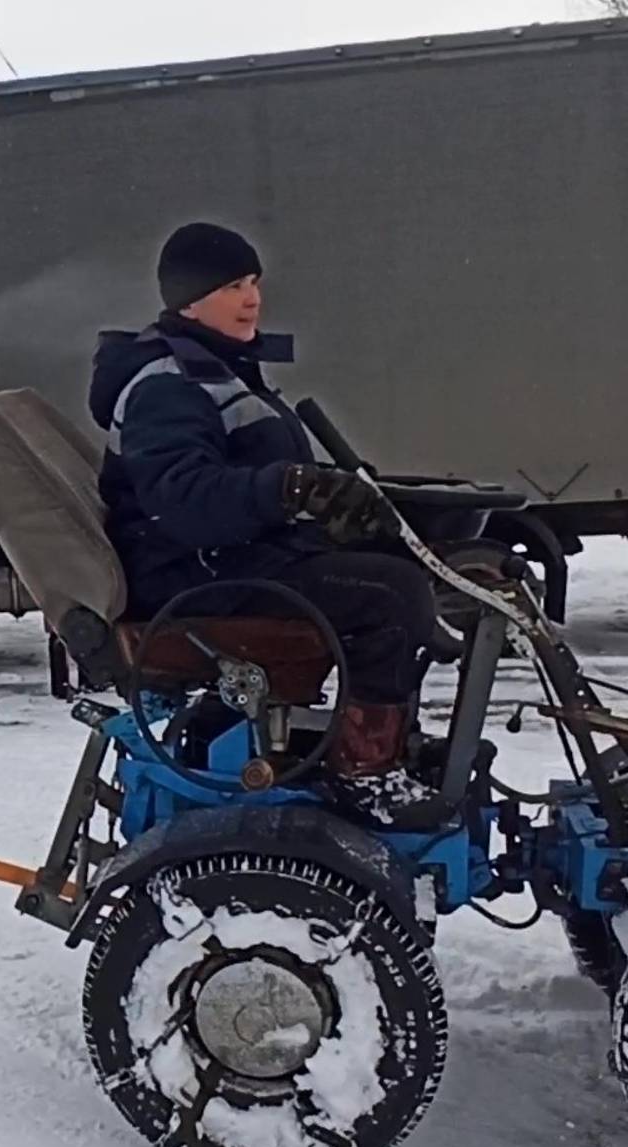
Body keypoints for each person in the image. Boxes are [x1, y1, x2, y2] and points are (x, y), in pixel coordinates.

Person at [89, 222, 445, 826]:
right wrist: (285, 489)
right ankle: (365, 774)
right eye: (232, 286)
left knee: (404, 563)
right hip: (190, 575)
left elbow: (254, 478)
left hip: (230, 558)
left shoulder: (216, 369)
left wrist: (339, 500)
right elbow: (184, 499)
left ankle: (390, 740)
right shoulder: (165, 386)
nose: (252, 298)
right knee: (387, 595)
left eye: (253, 281)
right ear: (188, 300)